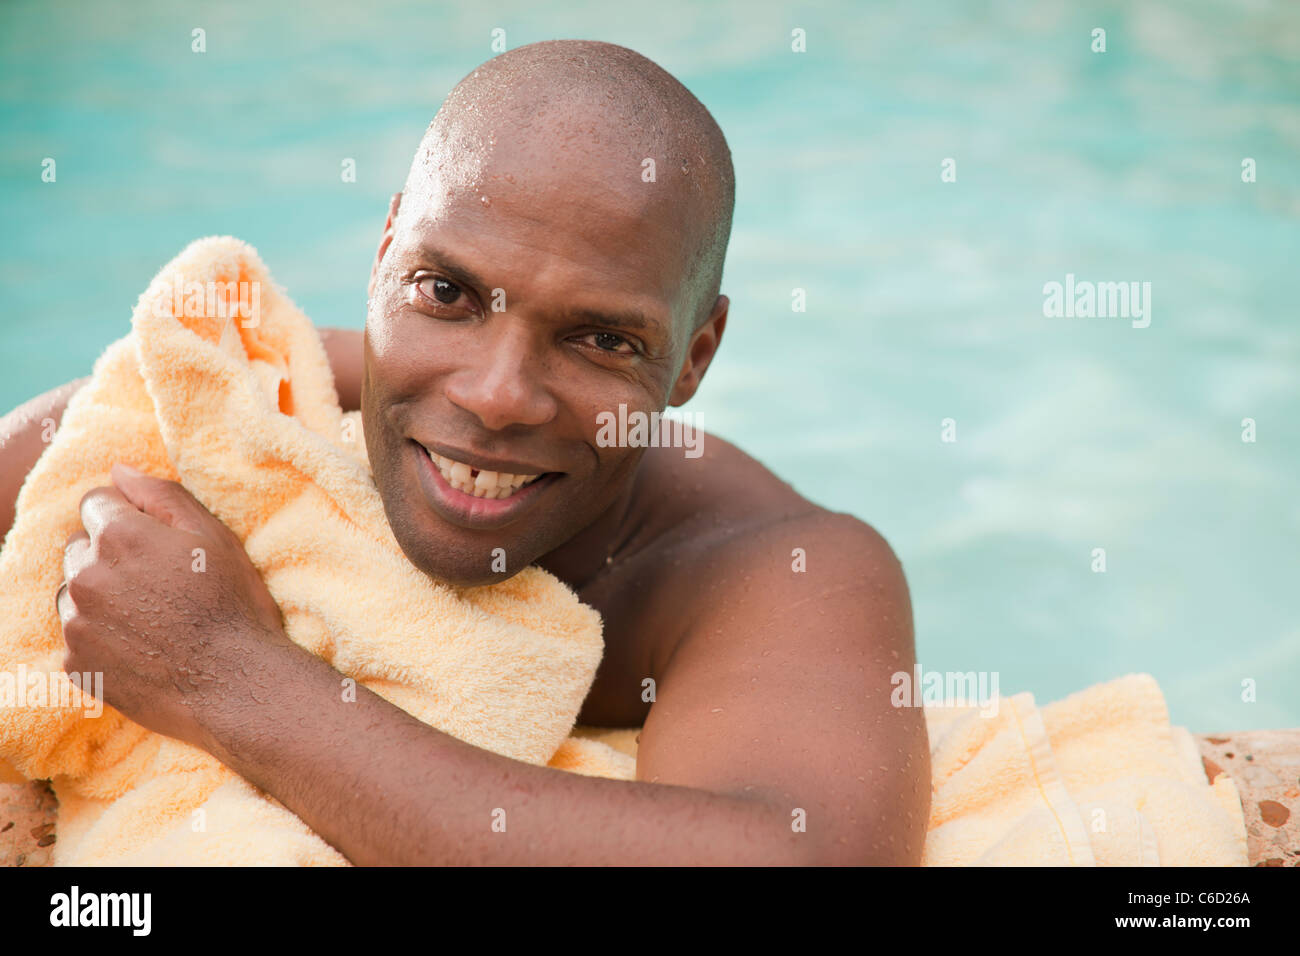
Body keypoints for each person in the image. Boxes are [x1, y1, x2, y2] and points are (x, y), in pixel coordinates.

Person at [0, 40, 928, 865]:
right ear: (384, 257)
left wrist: (227, 673)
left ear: (693, 358)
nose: (495, 394)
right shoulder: (264, 398)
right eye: (445, 291)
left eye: (602, 339)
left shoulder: (771, 565)